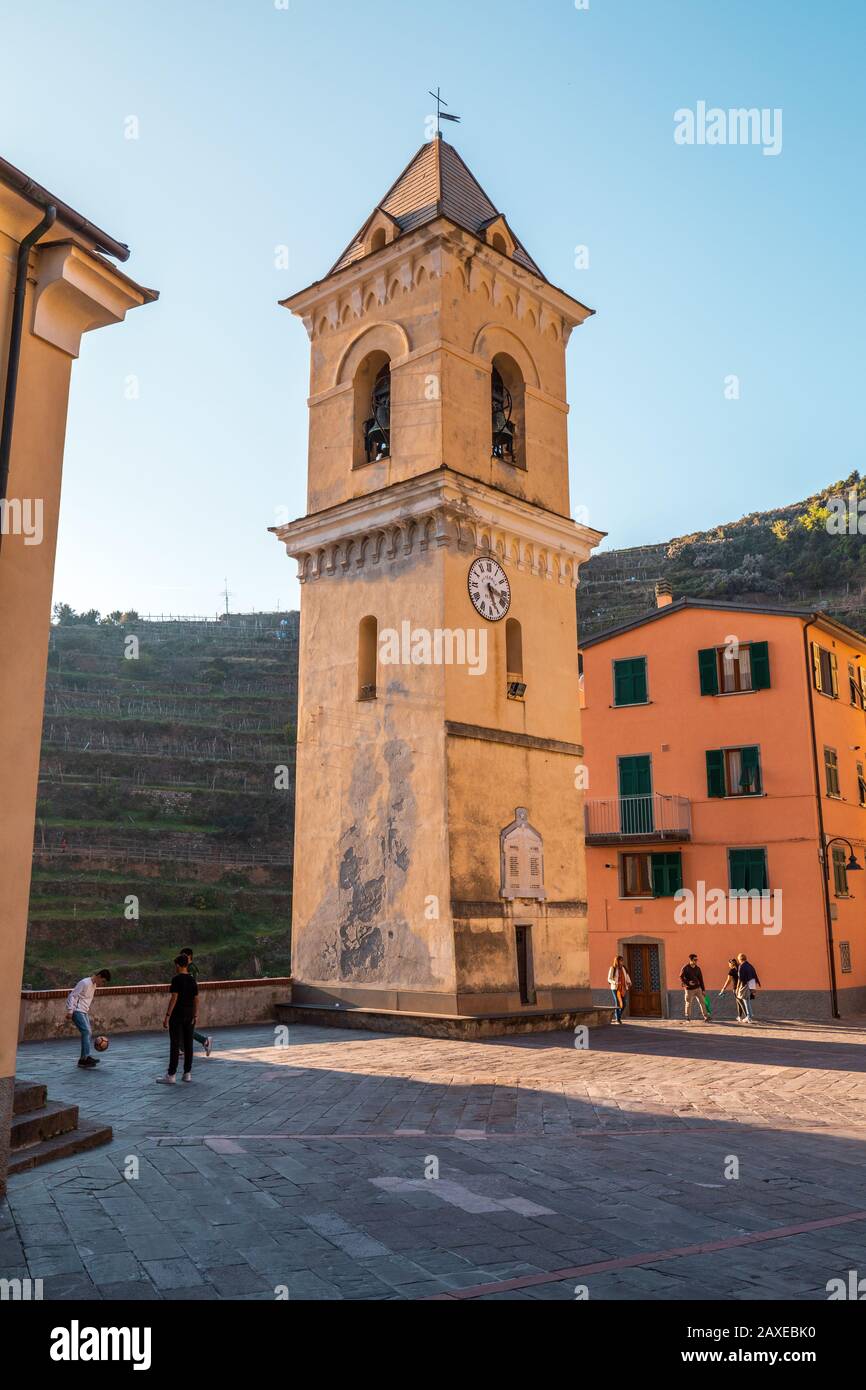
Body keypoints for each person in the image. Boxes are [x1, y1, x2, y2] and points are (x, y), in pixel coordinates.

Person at [157, 955, 199, 1084]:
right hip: (189, 1014)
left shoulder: (176, 979)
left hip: (177, 1015)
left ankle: (171, 1074)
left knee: (175, 1044)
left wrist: (167, 1016)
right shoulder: (192, 980)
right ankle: (187, 1073)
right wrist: (195, 1015)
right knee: (188, 1044)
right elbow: (196, 999)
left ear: (178, 965)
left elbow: (174, 998)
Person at [65, 969, 111, 1068]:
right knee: (86, 1032)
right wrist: (70, 1011)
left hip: (84, 1011)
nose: (102, 984)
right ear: (99, 976)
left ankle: (83, 1060)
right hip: (77, 1011)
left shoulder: (93, 985)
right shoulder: (84, 982)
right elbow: (72, 996)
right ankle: (85, 1058)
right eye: (102, 981)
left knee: (88, 1032)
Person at [179, 948, 212, 1056]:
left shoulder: (191, 968)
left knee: (185, 1026)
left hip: (189, 1001)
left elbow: (190, 985)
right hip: (186, 1000)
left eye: (183, 956)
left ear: (188, 956)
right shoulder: (187, 968)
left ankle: (204, 1041)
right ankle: (183, 1048)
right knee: (184, 1026)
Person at [680, 954, 708, 1020]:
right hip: (689, 989)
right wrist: (687, 982)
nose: (696, 961)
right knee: (688, 1003)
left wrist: (703, 990)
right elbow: (681, 977)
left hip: (698, 988)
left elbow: (701, 979)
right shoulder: (685, 968)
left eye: (696, 960)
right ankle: (688, 1017)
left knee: (702, 1002)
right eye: (695, 960)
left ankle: (706, 1016)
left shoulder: (698, 968)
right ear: (691, 960)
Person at [736, 952, 761, 1023]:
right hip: (751, 985)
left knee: (746, 1001)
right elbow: (754, 976)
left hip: (746, 985)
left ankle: (749, 1017)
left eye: (738, 959)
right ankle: (749, 1015)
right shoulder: (750, 965)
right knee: (748, 1001)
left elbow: (740, 979)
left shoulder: (742, 966)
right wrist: (753, 988)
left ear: (740, 959)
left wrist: (738, 988)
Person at [607, 955, 631, 1024]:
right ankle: (618, 1019)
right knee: (617, 1003)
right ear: (617, 961)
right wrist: (615, 982)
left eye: (622, 960)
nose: (621, 962)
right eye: (620, 960)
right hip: (615, 988)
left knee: (624, 1004)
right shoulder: (613, 968)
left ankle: (618, 1016)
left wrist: (629, 982)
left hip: (623, 988)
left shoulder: (624, 968)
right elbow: (609, 979)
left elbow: (626, 976)